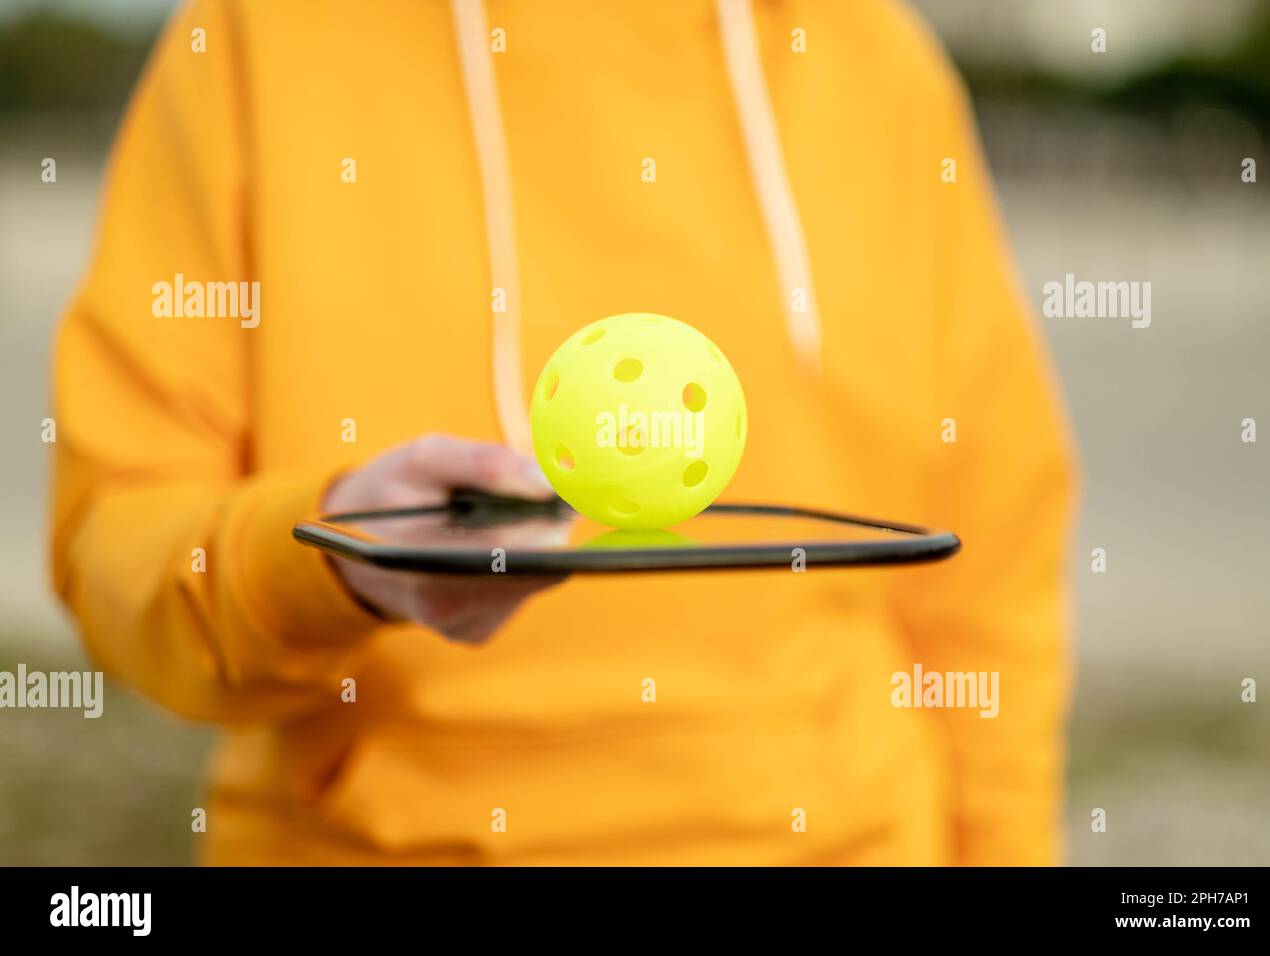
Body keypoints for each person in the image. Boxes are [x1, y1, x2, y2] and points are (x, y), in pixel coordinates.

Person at [49, 0, 1077, 865]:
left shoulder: (865, 55)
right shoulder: (258, 33)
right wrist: (325, 552)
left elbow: (991, 569)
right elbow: (120, 532)